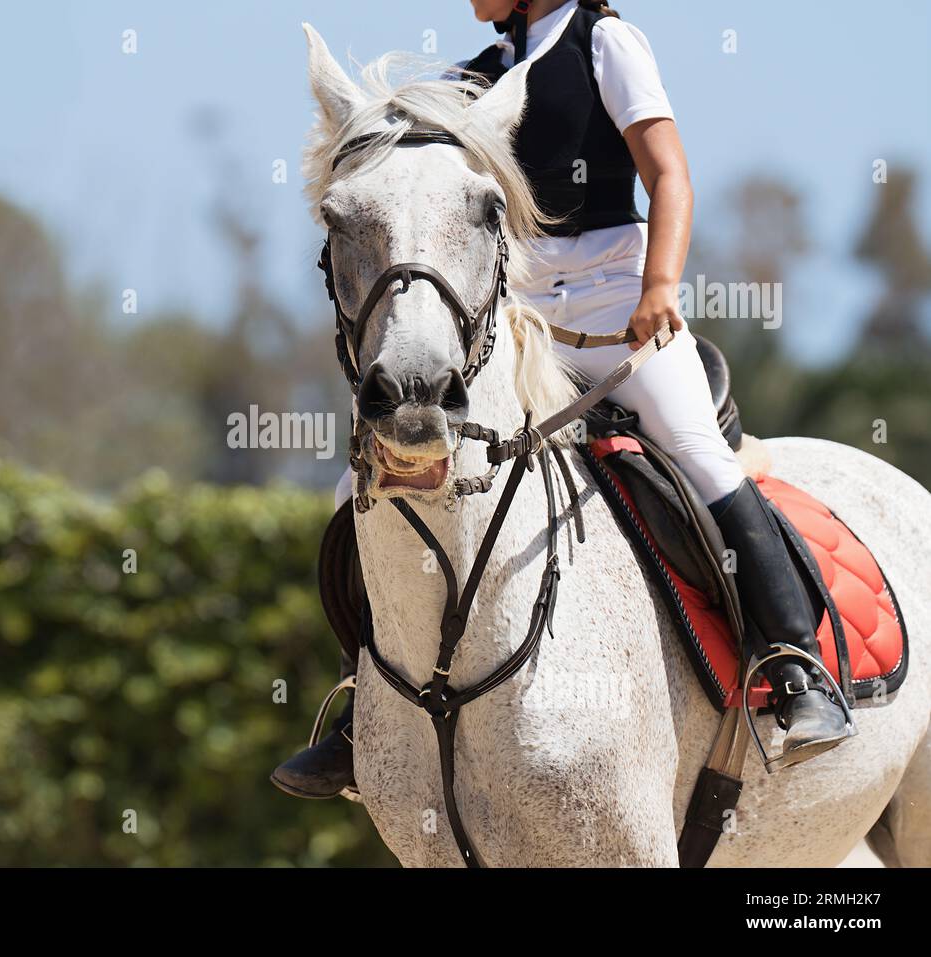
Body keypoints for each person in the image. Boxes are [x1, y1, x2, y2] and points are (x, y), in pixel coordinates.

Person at [272, 0, 851, 800]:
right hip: (524, 325)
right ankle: (363, 705)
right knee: (360, 488)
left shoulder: (606, 42)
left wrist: (659, 287)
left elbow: (670, 173)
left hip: (620, 314)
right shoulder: (478, 75)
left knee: (692, 443)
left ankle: (797, 666)